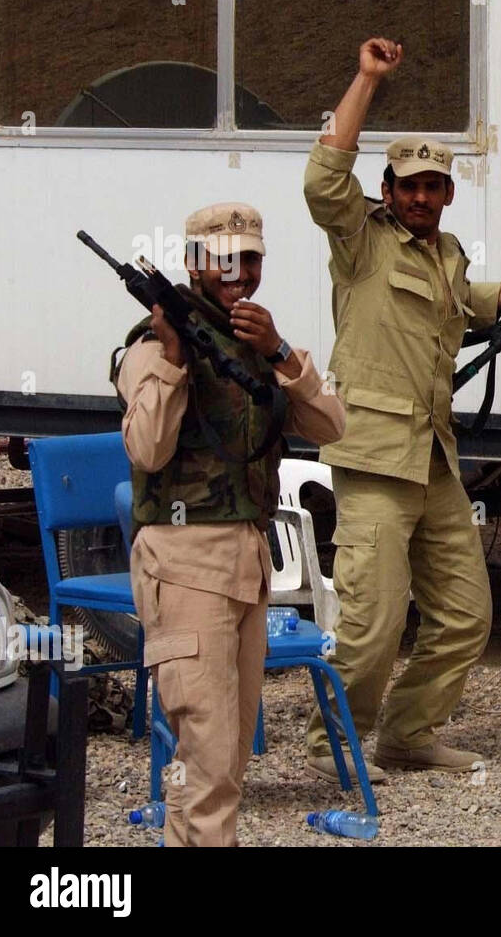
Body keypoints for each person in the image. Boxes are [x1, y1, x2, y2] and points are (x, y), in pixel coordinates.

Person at [302, 36, 501, 776]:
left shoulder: (446, 252)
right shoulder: (361, 241)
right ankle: (341, 745)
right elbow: (325, 178)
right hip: (374, 457)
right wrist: (365, 79)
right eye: (407, 186)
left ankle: (407, 733)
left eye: (433, 186)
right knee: (373, 620)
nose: (420, 196)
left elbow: (463, 307)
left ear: (447, 193)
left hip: (435, 458)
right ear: (387, 192)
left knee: (464, 614)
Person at [117, 202, 345, 846]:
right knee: (207, 763)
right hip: (185, 566)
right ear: (193, 264)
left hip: (247, 565)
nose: (238, 275)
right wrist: (174, 356)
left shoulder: (258, 344)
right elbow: (148, 450)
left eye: (250, 260)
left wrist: (277, 353)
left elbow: (330, 427)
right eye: (223, 261)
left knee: (230, 759)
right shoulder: (149, 350)